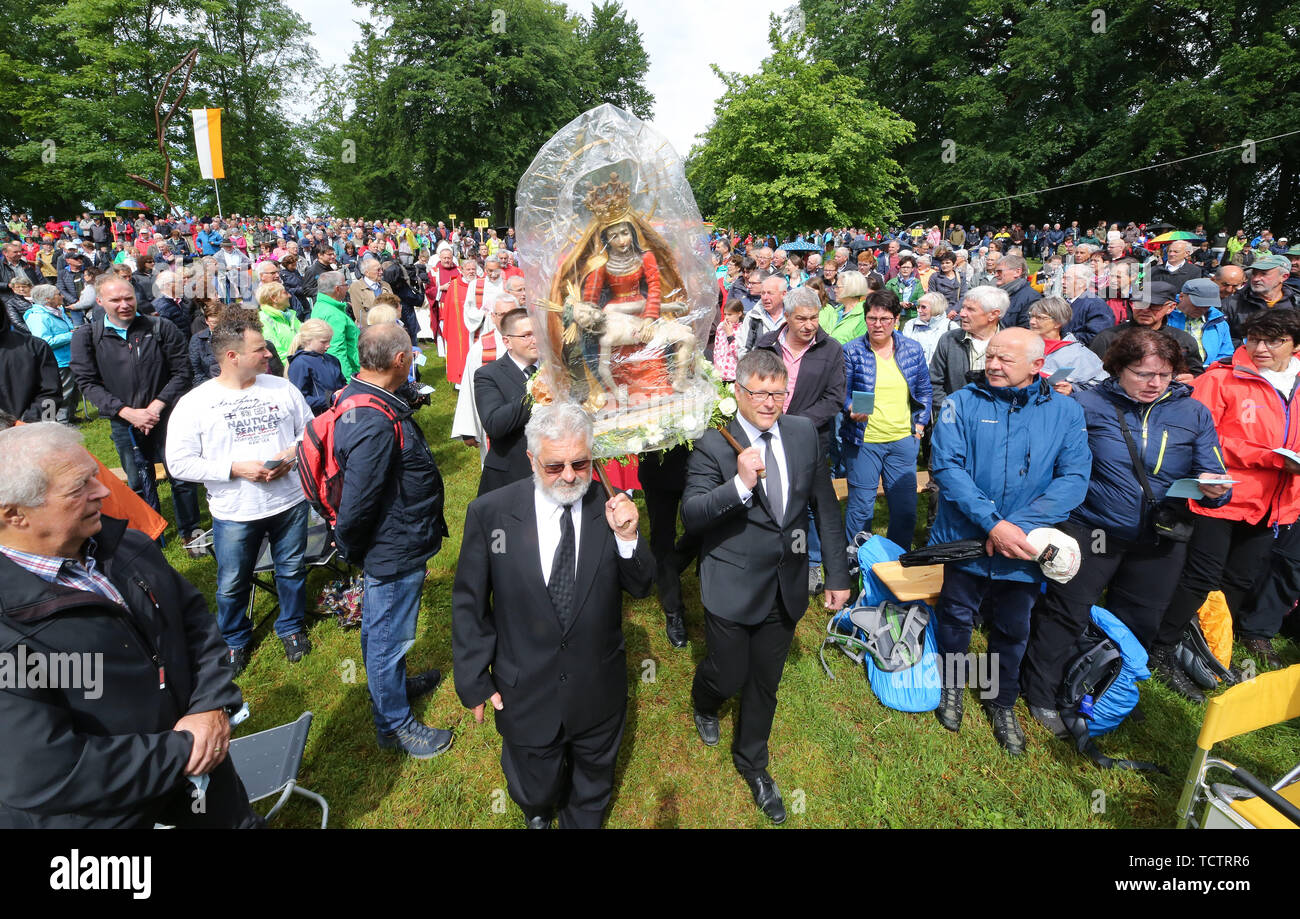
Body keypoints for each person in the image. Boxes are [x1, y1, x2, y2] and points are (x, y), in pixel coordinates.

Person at [0, 423, 260, 828]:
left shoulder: (125, 545)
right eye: (78, 488)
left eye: (94, 476)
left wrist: (210, 705)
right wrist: (184, 749)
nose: (103, 492)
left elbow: (194, 622)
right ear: (15, 515)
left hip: (209, 789)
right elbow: (43, 771)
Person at [452, 403, 652, 828]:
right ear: (531, 460)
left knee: (593, 785)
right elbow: (469, 601)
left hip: (597, 686)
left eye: (580, 463)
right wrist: (472, 677)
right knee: (535, 786)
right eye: (554, 465)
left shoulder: (612, 508)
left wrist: (630, 539)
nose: (568, 475)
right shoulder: (491, 515)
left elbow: (642, 587)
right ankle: (538, 810)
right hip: (525, 691)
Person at [1020, 330, 1230, 733]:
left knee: (1139, 619)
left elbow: (1211, 470)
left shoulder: (1192, 413)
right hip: (1093, 528)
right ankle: (1042, 693)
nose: (1154, 383)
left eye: (1165, 375)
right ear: (1117, 369)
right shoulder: (1086, 404)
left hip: (1160, 536)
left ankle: (1108, 688)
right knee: (1067, 611)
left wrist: (1215, 491)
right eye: (1143, 373)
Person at [682, 350, 850, 823]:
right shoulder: (713, 442)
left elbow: (824, 507)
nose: (771, 402)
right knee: (728, 673)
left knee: (764, 683)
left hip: (786, 583)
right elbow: (692, 516)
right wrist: (738, 484)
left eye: (779, 392)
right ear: (738, 391)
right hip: (731, 583)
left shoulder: (801, 435)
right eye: (759, 392)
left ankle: (753, 762)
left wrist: (837, 573)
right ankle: (705, 698)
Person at [927, 327, 1091, 754]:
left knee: (1014, 626)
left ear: (1038, 366)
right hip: (966, 538)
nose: (993, 365)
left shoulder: (1066, 412)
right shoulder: (961, 403)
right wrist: (991, 525)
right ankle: (953, 685)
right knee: (957, 615)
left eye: (1005, 360)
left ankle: (1002, 701)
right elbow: (947, 468)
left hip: (1022, 546)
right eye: (991, 357)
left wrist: (1012, 529)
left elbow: (1073, 479)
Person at [1153, 310, 1300, 680]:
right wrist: (1268, 458)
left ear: (1295, 345)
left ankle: (1212, 647)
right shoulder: (1222, 378)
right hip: (1222, 495)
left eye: (1273, 340)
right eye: (1254, 338)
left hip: (1278, 503)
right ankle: (1162, 647)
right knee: (1200, 577)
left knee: (1238, 580)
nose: (1260, 348)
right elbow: (1202, 435)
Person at [165, 313, 314, 674]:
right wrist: (235, 468)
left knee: (291, 569)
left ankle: (291, 626)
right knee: (232, 582)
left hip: (289, 502)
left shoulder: (282, 388)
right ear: (231, 356)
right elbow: (179, 464)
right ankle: (234, 639)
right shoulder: (195, 404)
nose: (268, 355)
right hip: (235, 511)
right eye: (259, 349)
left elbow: (310, 431)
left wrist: (292, 454)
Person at [333, 323, 451, 758]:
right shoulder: (372, 423)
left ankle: (394, 687)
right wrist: (354, 547)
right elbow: (359, 503)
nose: (415, 361)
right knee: (387, 636)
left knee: (383, 629)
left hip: (393, 538)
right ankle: (395, 724)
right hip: (392, 545)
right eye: (412, 355)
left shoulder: (362, 395)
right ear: (400, 360)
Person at [69, 275, 203, 550]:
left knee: (180, 476)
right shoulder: (87, 336)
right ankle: (149, 535)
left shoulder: (159, 327)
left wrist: (157, 405)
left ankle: (191, 532)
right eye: (115, 300)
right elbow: (86, 382)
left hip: (166, 416)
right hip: (124, 421)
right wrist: (125, 412)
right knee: (137, 479)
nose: (124, 305)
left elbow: (182, 371)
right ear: (100, 301)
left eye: (128, 298)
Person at [754, 286, 847, 590]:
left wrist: (794, 424)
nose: (809, 325)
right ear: (787, 317)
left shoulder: (830, 349)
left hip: (810, 439)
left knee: (811, 502)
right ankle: (777, 556)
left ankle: (815, 563)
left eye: (814, 318)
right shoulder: (766, 345)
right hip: (767, 437)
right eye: (802, 319)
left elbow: (834, 399)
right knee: (773, 498)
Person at [840, 289, 931, 549]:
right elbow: (841, 393)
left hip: (903, 440)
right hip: (864, 440)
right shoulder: (852, 351)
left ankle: (895, 560)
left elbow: (924, 390)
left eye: (884, 319)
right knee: (861, 509)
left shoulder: (912, 350)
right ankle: (858, 564)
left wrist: (920, 425)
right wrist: (850, 409)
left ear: (897, 319)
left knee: (905, 511)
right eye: (872, 318)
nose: (877, 325)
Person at [451, 275, 527, 461]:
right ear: (493, 317)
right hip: (497, 418)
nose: (508, 319)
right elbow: (469, 386)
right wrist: (468, 429)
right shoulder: (482, 349)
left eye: (513, 313)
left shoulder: (532, 342)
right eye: (502, 315)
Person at [473, 305, 538, 496]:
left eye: (537, 333)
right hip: (512, 474)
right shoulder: (488, 375)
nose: (535, 340)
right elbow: (495, 424)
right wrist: (537, 395)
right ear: (507, 341)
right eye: (526, 335)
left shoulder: (556, 368)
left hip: (556, 472)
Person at [1089, 280, 1204, 379]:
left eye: (1154, 305)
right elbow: (1089, 375)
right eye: (1140, 303)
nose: (1145, 309)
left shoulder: (1183, 340)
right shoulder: (1108, 338)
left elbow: (1197, 375)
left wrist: (1192, 379)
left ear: (1171, 307)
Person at [929, 285, 1006, 415]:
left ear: (993, 314)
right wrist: (950, 413)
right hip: (956, 422)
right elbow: (934, 382)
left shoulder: (1014, 344)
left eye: (970, 309)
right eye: (963, 307)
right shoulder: (949, 340)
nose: (962, 313)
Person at [1027, 296, 1108, 395]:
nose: (1032, 322)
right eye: (1031, 316)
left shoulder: (1077, 354)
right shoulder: (1021, 345)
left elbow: (1102, 385)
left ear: (1058, 323)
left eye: (1040, 318)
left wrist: (1073, 389)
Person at [23, 285, 81, 422]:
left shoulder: (58, 310)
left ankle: (71, 416)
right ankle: (62, 422)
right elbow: (44, 341)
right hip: (57, 360)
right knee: (64, 392)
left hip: (70, 356)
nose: (62, 296)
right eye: (58, 294)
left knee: (74, 390)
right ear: (47, 299)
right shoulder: (38, 317)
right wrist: (70, 335)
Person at [1222, 253, 1300, 340]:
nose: (1256, 279)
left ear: (1284, 277)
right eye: (1254, 274)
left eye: (1264, 274)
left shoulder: (1295, 303)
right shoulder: (1232, 304)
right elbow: (1222, 341)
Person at [1168, 277, 1233, 365]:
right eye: (1197, 304)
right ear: (1181, 297)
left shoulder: (1219, 322)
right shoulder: (1165, 315)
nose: (1202, 309)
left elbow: (1225, 354)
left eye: (1207, 305)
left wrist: (1212, 371)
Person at [287, 319, 346, 415]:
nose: (328, 345)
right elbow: (299, 399)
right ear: (308, 340)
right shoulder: (300, 363)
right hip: (318, 418)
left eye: (329, 341)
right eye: (323, 342)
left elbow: (342, 384)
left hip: (339, 413)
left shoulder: (332, 359)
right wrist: (330, 399)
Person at [309, 270, 359, 380]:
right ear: (337, 289)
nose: (347, 288)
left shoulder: (321, 305)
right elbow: (337, 350)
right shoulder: (333, 314)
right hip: (350, 373)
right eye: (345, 284)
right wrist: (348, 380)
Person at [1060, 265, 1114, 346]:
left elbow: (1097, 337)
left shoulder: (1096, 305)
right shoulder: (1064, 302)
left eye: (1067, 279)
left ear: (1082, 283)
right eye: (1062, 278)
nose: (1062, 282)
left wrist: (1062, 340)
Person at [737, 276, 788, 359]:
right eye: (763, 293)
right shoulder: (753, 317)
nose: (765, 298)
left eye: (770, 293)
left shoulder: (793, 316)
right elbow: (743, 350)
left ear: (783, 294)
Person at [902, 291, 959, 363]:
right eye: (918, 306)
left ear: (935, 308)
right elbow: (904, 352)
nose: (919, 310)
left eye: (923, 307)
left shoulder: (951, 327)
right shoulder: (911, 325)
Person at [820, 269, 869, 344]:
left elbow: (861, 346)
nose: (835, 290)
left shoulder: (864, 315)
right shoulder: (836, 311)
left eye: (838, 287)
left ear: (850, 288)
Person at [255, 280, 301, 359]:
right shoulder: (263, 319)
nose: (289, 296)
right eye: (285, 293)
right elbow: (276, 352)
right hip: (287, 367)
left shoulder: (290, 315)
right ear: (274, 298)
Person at [995, 254, 1042, 329]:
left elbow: (1027, 330)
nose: (995, 275)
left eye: (999, 271)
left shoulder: (1031, 298)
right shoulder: (997, 294)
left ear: (1017, 272)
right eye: (995, 271)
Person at [347, 256, 393, 330]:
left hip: (387, 328)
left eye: (381, 269)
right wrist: (376, 328)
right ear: (367, 273)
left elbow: (393, 306)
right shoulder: (356, 287)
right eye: (378, 270)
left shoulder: (386, 285)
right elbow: (360, 315)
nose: (381, 272)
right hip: (368, 331)